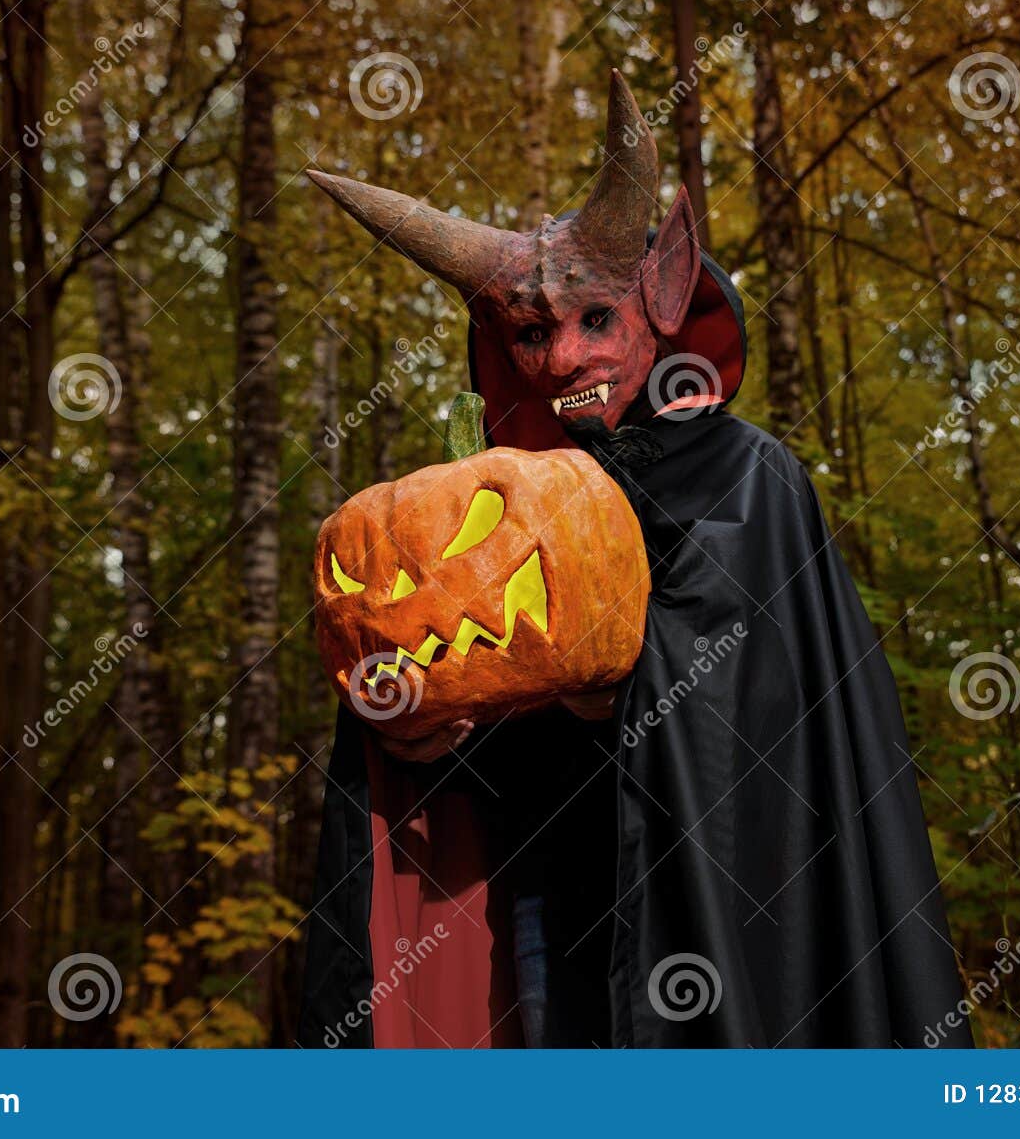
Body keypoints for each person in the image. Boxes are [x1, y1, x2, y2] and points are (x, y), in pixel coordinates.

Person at [298, 71, 971, 1048]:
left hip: (734, 906)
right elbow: (482, 719)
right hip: (549, 901)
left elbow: (768, 715)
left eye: (593, 320)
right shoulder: (489, 510)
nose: (561, 358)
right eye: (531, 331)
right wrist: (422, 741)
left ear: (660, 301)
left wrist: (624, 687)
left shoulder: (749, 476)